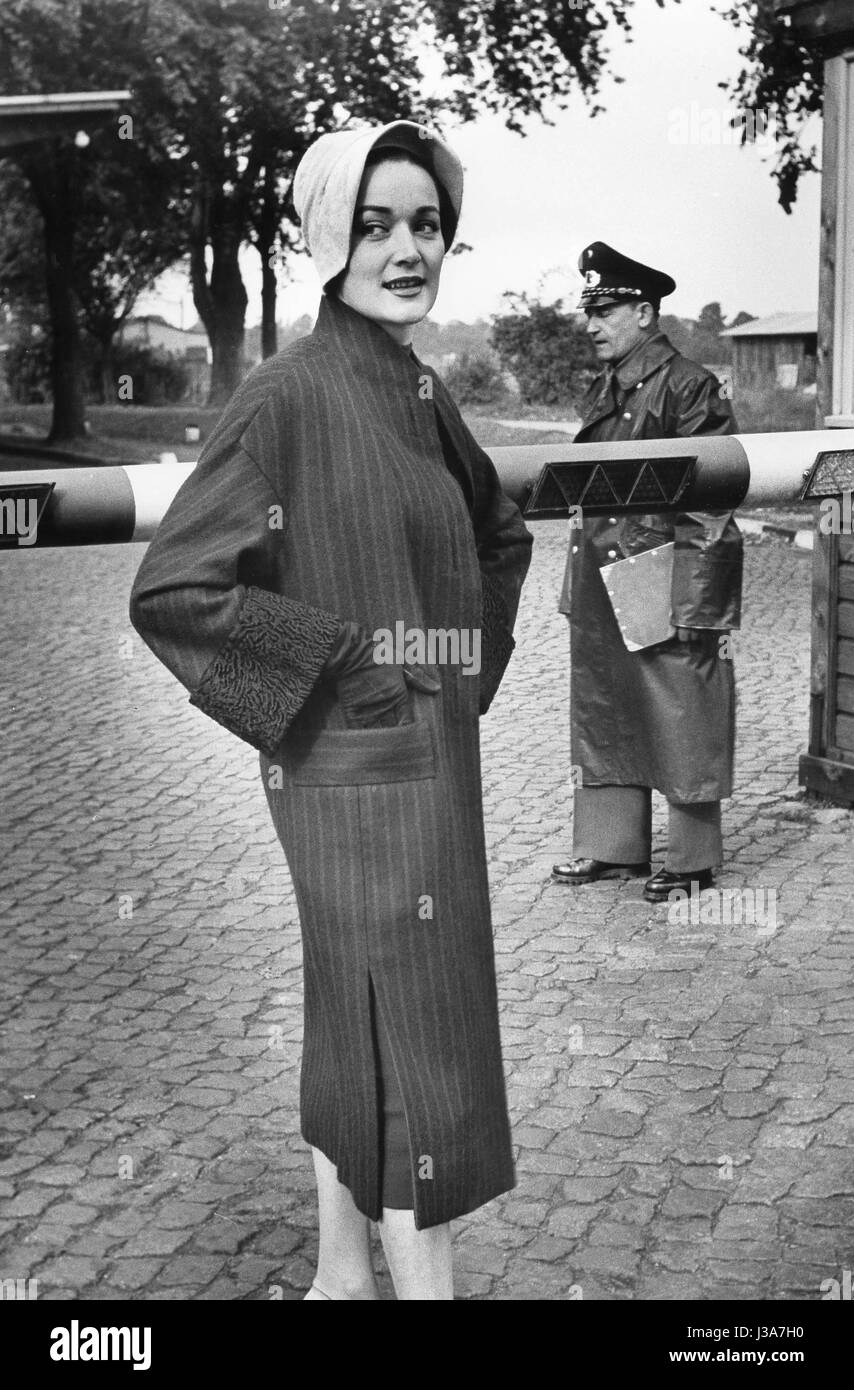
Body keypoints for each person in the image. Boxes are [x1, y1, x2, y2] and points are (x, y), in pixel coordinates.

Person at [129, 120, 532, 1301]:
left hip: (422, 758)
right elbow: (173, 593)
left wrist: (455, 670)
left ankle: (339, 1273)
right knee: (419, 1038)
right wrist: (348, 676)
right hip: (350, 773)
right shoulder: (286, 396)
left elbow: (496, 533)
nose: (407, 248)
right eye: (373, 225)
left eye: (423, 224)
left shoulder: (413, 384)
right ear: (323, 239)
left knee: (351, 1010)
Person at [551, 241, 743, 904]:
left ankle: (692, 860)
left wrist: (696, 603)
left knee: (680, 708)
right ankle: (611, 848)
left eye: (604, 310)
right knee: (606, 703)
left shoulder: (688, 384)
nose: (591, 324)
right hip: (605, 567)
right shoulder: (609, 383)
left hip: (655, 570)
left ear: (643, 310)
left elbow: (711, 497)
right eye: (589, 310)